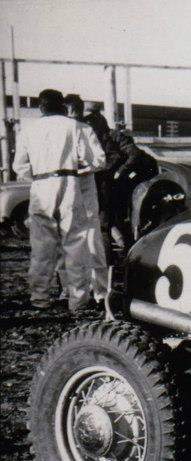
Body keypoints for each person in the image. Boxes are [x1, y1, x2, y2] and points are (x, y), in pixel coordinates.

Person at [12, 89, 101, 312]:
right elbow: (92, 160)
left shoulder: (29, 130)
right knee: (75, 243)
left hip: (41, 185)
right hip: (69, 182)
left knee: (41, 247)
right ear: (61, 105)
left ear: (41, 107)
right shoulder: (76, 127)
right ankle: (78, 301)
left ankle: (40, 298)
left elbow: (19, 166)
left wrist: (39, 176)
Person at [64, 94, 109, 301]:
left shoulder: (86, 130)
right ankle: (72, 290)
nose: (72, 115)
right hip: (65, 191)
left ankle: (101, 291)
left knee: (92, 240)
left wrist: (81, 169)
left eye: (74, 111)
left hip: (85, 191)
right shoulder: (60, 132)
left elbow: (100, 161)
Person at [104, 130, 158, 247]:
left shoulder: (113, 136)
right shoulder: (103, 137)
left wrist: (119, 171)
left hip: (140, 172)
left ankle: (129, 241)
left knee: (126, 210)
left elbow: (135, 154)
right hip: (127, 175)